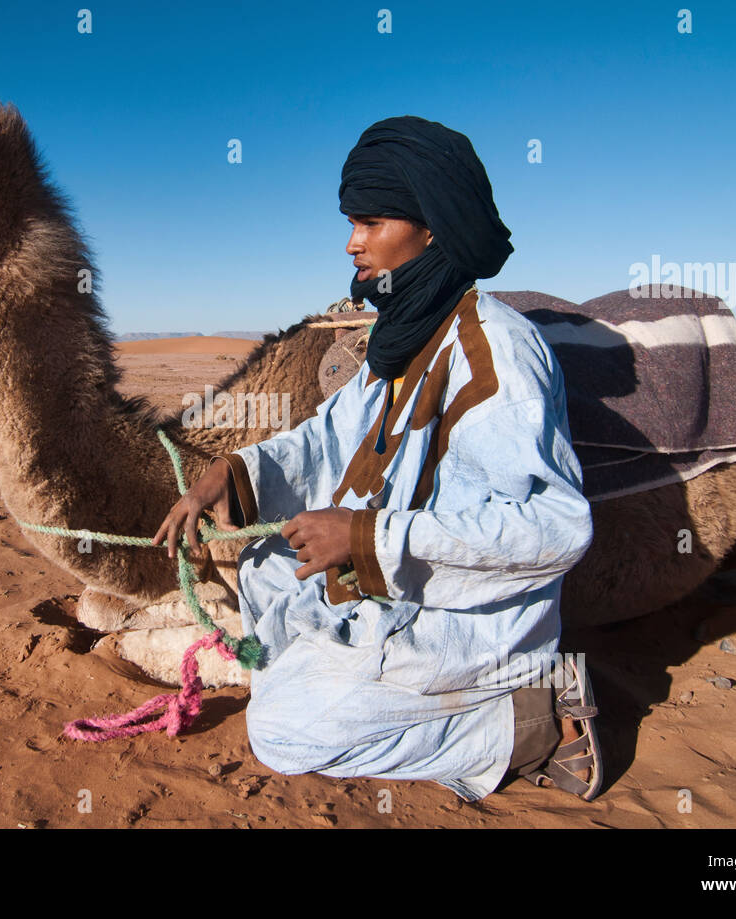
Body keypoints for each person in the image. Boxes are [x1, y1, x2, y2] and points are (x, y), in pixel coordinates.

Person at [153, 116, 601, 801]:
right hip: (396, 585)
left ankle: (527, 719)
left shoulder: (494, 353)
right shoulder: (402, 342)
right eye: (351, 221)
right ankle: (344, 674)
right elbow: (326, 437)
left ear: (432, 225)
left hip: (470, 616)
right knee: (267, 562)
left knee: (280, 729)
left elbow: (552, 526)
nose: (351, 242)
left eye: (369, 222)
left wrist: (367, 539)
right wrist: (234, 472)